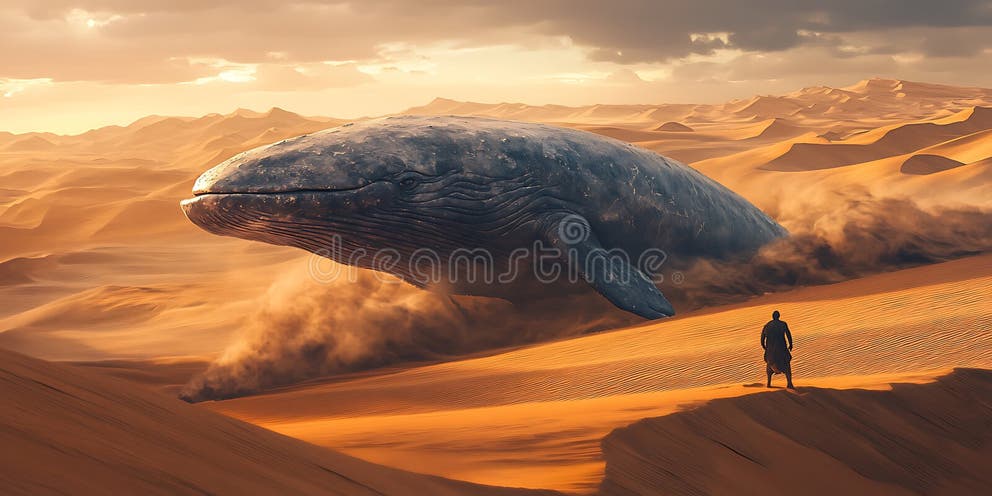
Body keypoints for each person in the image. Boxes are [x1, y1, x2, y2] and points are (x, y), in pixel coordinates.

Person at [761, 310, 794, 389]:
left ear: (773, 316)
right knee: (786, 364)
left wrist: (764, 347)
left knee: (769, 364)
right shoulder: (783, 324)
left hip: (770, 349)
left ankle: (769, 383)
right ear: (779, 316)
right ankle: (789, 383)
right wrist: (790, 344)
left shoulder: (767, 325)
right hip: (781, 347)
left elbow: (762, 338)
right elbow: (788, 334)